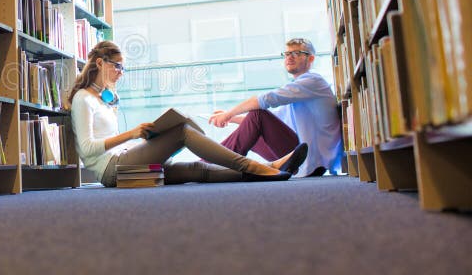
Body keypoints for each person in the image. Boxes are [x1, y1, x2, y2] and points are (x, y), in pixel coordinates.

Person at [67, 41, 308, 188]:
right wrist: (132, 134)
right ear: (99, 63)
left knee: (196, 170)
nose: (121, 72)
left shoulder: (104, 99)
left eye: (123, 67)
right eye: (117, 66)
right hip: (112, 170)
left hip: (124, 159)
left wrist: (141, 141)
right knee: (182, 132)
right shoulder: (83, 99)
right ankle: (257, 168)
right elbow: (88, 150)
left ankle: (270, 168)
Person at [208, 37, 343, 177]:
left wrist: (229, 114)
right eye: (287, 54)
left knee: (258, 114)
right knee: (251, 130)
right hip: (302, 157)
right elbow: (272, 119)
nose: (289, 57)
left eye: (296, 53)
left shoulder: (313, 81)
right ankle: (211, 163)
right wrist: (232, 118)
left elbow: (266, 100)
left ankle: (208, 165)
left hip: (311, 159)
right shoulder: (299, 90)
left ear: (311, 59)